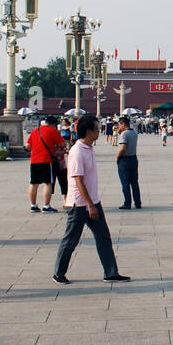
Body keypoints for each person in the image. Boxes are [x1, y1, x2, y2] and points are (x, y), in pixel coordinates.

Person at [52, 115, 128, 284]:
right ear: (88, 132)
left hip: (93, 201)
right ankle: (58, 273)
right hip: (79, 204)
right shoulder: (77, 151)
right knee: (71, 240)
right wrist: (89, 205)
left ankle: (111, 273)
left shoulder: (88, 148)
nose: (99, 131)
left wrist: (93, 204)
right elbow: (78, 180)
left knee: (104, 237)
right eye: (96, 129)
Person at [27, 117, 66, 213]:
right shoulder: (53, 131)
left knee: (34, 183)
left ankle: (33, 206)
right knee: (48, 183)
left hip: (34, 160)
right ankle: (46, 206)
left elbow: (28, 146)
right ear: (54, 124)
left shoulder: (35, 131)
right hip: (46, 160)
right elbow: (62, 144)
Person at [115, 115, 142, 210]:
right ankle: (138, 202)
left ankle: (127, 203)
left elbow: (122, 148)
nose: (119, 127)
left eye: (119, 125)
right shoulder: (134, 132)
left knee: (125, 183)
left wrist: (118, 157)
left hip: (125, 160)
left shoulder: (124, 134)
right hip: (133, 158)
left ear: (123, 124)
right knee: (134, 183)